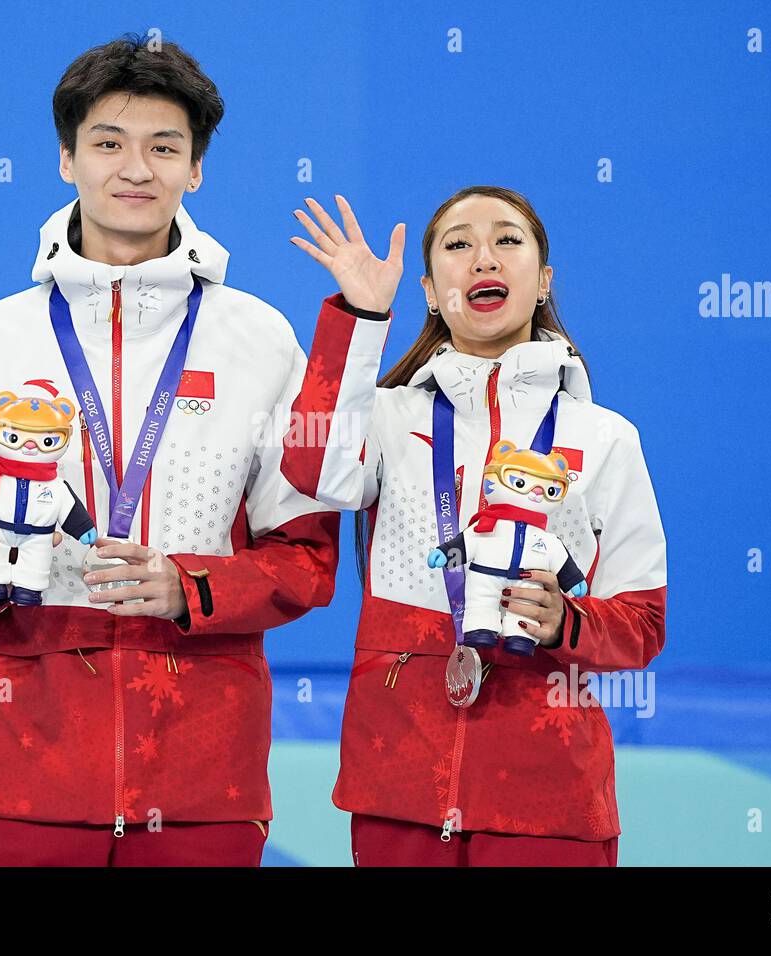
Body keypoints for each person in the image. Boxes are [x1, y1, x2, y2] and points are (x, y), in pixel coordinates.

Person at [0, 34, 339, 867]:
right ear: (67, 158)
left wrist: (189, 586)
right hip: (31, 771)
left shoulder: (260, 339)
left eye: (164, 147)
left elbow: (308, 558)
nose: (135, 168)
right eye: (108, 143)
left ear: (196, 169)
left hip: (207, 776)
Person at [282, 187, 667, 866]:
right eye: (458, 245)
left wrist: (565, 622)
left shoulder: (606, 438)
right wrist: (361, 316)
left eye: (507, 240)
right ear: (431, 291)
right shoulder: (386, 419)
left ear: (543, 282)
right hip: (399, 783)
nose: (483, 257)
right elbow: (313, 469)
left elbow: (641, 622)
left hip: (548, 798)